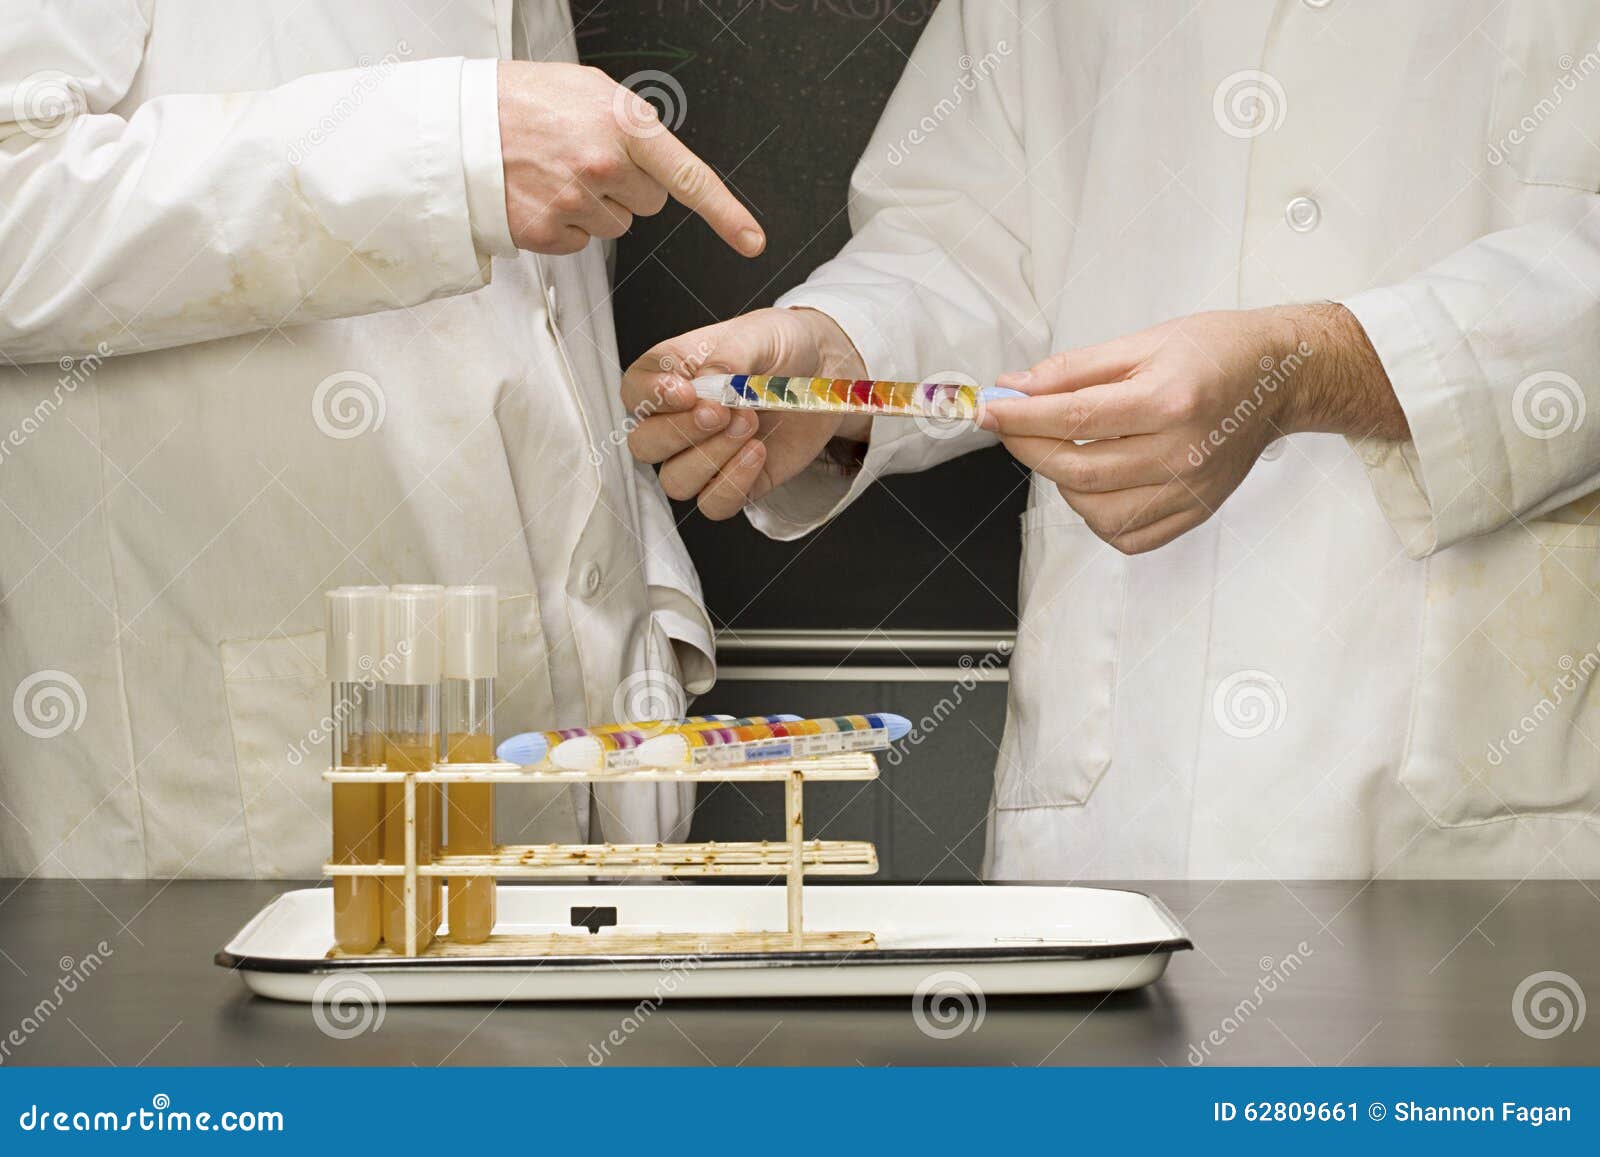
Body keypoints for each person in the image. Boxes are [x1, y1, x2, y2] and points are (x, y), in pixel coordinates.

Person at [624, 1, 1600, 878]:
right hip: (1126, 803)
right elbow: (968, 233)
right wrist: (835, 355)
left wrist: (1320, 364)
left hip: (1462, 815)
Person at [0, 1, 764, 877]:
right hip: (237, 814)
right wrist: (450, 151)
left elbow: (515, 335)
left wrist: (634, 597)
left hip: (564, 798)